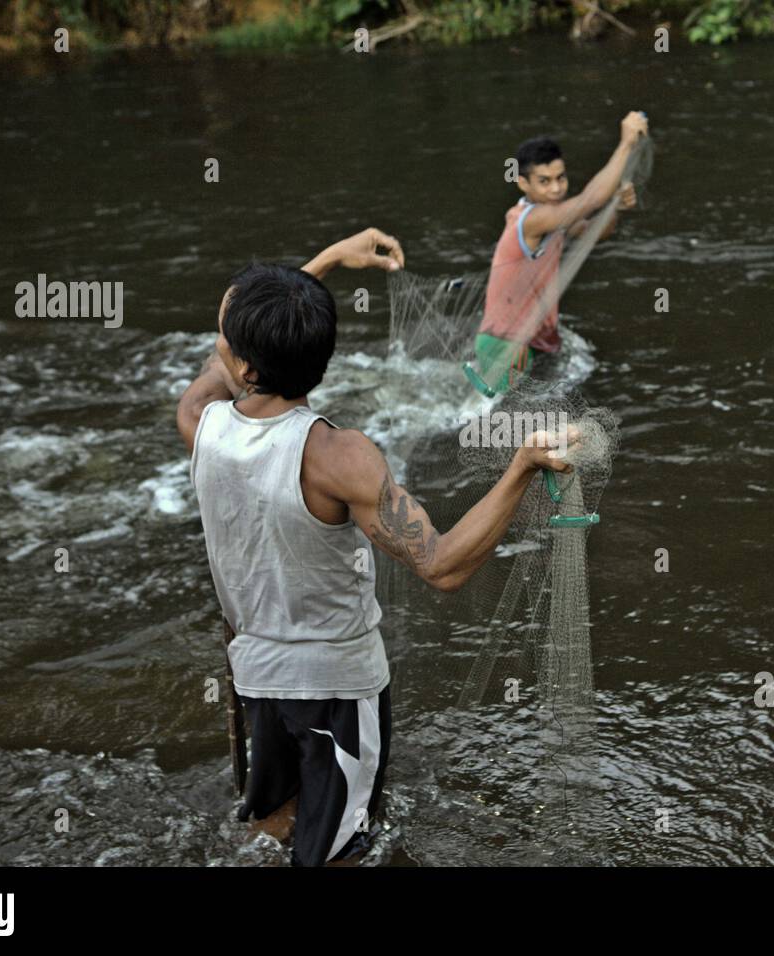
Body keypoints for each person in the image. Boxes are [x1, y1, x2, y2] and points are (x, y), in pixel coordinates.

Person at [175, 228, 579, 866]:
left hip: (254, 673)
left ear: (242, 363)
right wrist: (522, 465)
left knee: (270, 823)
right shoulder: (340, 458)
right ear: (326, 357)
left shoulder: (203, 423)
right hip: (335, 687)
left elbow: (231, 345)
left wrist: (329, 260)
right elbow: (443, 566)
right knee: (339, 852)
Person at [474, 111, 648, 392]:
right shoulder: (531, 219)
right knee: (510, 426)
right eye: (544, 181)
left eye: (561, 178)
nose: (556, 189)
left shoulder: (554, 219)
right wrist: (625, 145)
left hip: (533, 340)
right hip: (504, 347)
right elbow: (590, 200)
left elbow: (598, 231)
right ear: (522, 183)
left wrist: (615, 206)